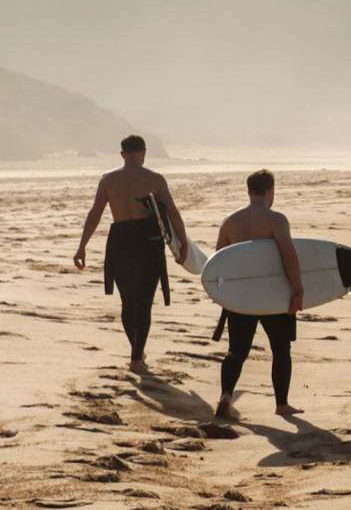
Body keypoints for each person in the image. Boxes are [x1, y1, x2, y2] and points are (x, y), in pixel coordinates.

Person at [73, 135, 192, 376]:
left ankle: (136, 352)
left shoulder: (108, 180)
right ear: (144, 153)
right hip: (147, 242)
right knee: (144, 302)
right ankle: (137, 358)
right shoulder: (155, 180)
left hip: (120, 241)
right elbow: (173, 213)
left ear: (122, 154)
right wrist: (183, 244)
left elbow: (95, 213)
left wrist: (82, 246)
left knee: (128, 301)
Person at [213, 170, 304, 417]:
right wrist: (298, 290)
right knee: (280, 349)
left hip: (241, 296)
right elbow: (289, 256)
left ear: (249, 191)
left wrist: (223, 295)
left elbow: (218, 261)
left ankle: (226, 394)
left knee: (237, 351)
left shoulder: (230, 221)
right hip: (272, 295)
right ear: (270, 191)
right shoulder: (276, 220)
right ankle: (281, 404)